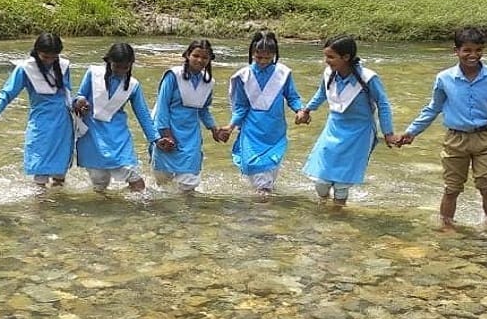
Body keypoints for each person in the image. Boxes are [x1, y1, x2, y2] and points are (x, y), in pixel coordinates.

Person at [395, 26, 487, 230]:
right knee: (452, 188)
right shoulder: (444, 78)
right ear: (456, 51)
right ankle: (447, 226)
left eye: (478, 50)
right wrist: (411, 132)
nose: (473, 55)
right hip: (455, 139)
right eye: (467, 51)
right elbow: (433, 108)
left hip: (486, 137)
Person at [295, 34, 395, 206]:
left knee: (342, 183)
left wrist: (388, 133)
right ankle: (323, 208)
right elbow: (321, 94)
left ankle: (338, 214)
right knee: (321, 181)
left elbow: (383, 104)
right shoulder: (329, 74)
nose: (326, 60)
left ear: (346, 57)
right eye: (325, 56)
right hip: (333, 127)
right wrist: (306, 110)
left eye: (331, 57)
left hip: (359, 132)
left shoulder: (368, 78)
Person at [73, 42, 172, 193]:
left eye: (125, 67)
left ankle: (141, 212)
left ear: (131, 64)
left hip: (118, 138)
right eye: (116, 66)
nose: (120, 71)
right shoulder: (93, 73)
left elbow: (143, 114)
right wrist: (80, 102)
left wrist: (156, 139)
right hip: (92, 137)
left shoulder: (133, 85)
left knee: (135, 179)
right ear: (108, 61)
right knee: (99, 182)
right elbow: (79, 96)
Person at [218, 30, 304, 195]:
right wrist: (231, 126)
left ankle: (263, 208)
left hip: (275, 132)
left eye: (267, 58)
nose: (263, 61)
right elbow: (241, 107)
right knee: (257, 172)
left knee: (270, 173)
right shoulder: (243, 76)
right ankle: (263, 213)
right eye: (258, 57)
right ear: (252, 53)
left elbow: (292, 96)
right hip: (251, 132)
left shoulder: (283, 74)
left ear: (274, 55)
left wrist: (300, 110)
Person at [0, 33, 78, 188]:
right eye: (45, 57)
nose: (49, 61)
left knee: (60, 169)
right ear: (36, 52)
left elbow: (68, 91)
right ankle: (39, 208)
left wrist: (78, 104)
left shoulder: (63, 65)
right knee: (39, 166)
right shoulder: (25, 69)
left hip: (63, 122)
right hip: (41, 123)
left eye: (53, 57)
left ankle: (58, 206)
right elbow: (6, 93)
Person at [150, 39, 223, 193]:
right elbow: (162, 106)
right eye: (196, 55)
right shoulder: (173, 76)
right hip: (167, 129)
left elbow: (203, 109)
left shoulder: (208, 83)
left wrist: (213, 128)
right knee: (163, 179)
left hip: (191, 134)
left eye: (204, 57)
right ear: (187, 55)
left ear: (209, 59)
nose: (200, 60)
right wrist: (165, 134)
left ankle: (186, 213)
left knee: (189, 182)